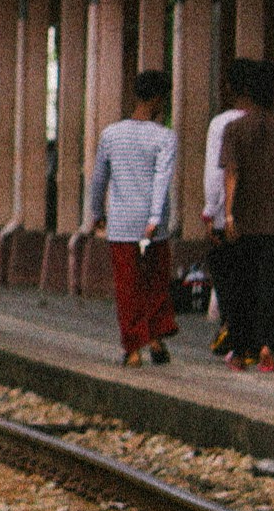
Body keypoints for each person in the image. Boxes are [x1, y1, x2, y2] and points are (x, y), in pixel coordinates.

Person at [219, 60, 274, 374]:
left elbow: (231, 173)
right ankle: (267, 347)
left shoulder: (234, 129)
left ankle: (241, 351)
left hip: (243, 220)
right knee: (271, 287)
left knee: (242, 285)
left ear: (247, 93)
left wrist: (229, 216)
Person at [87, 69, 180, 366]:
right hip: (155, 227)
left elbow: (99, 179)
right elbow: (161, 180)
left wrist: (97, 213)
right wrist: (154, 218)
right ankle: (153, 337)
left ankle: (133, 349)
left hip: (122, 225)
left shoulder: (110, 135)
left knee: (128, 287)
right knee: (154, 284)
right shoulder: (164, 137)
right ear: (157, 99)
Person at [202, 75, 250, 356]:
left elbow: (216, 172)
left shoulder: (221, 123)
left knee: (226, 271)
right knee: (251, 275)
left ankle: (231, 325)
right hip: (263, 216)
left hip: (227, 214)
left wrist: (211, 210)